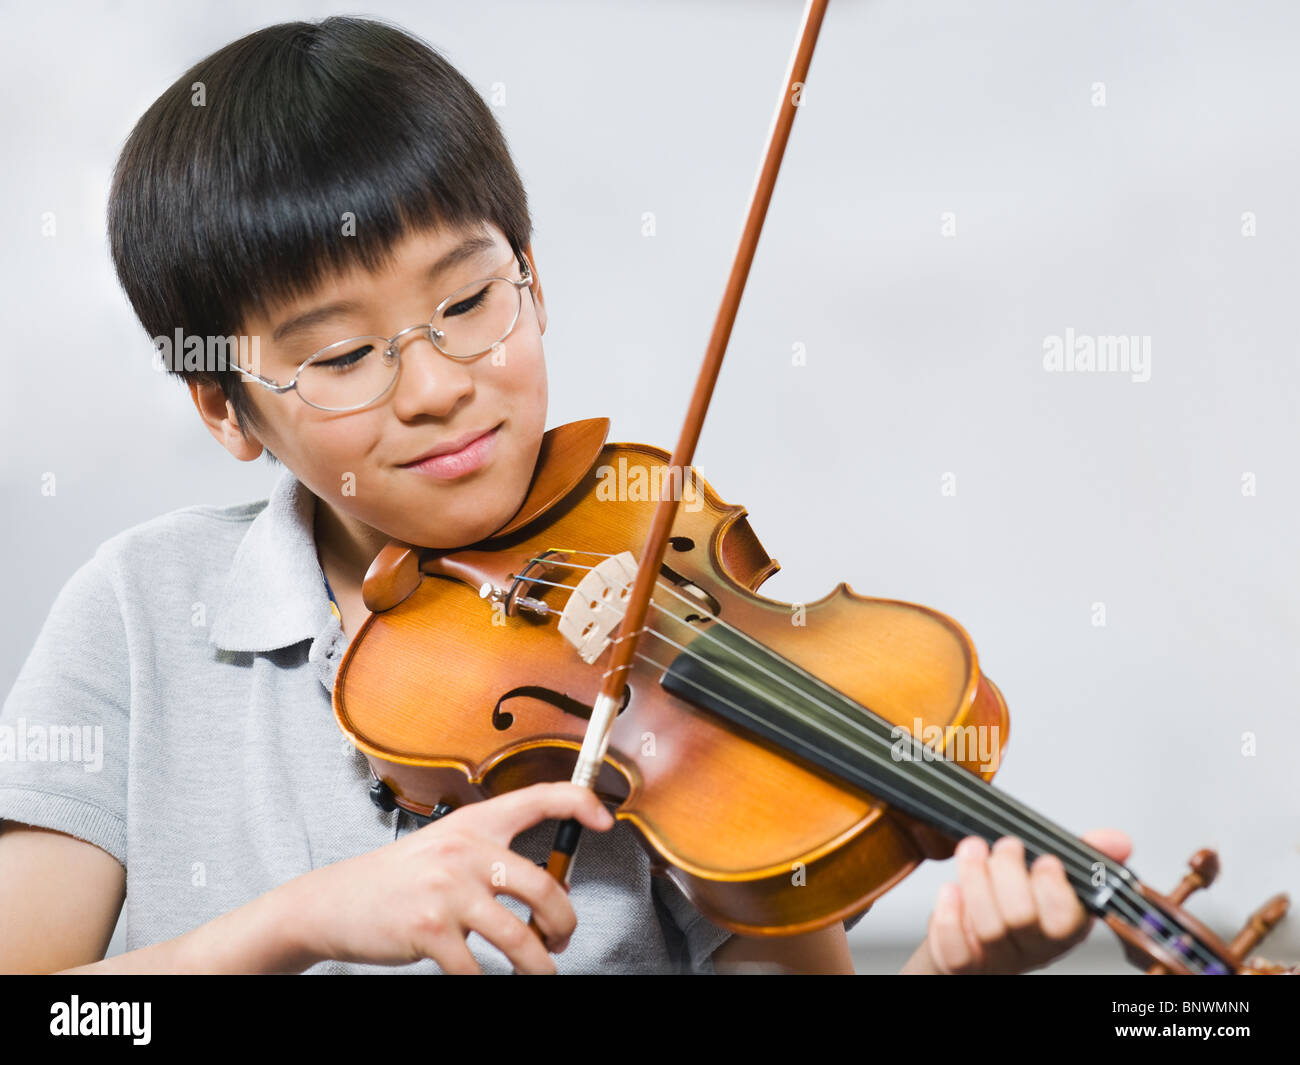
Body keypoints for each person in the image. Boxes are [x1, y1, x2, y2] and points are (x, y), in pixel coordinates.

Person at [0, 15, 1129, 975]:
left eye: (472, 299)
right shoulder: (137, 613)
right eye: (343, 358)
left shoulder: (663, 608)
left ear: (533, 280)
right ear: (224, 409)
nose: (440, 388)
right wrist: (296, 924)